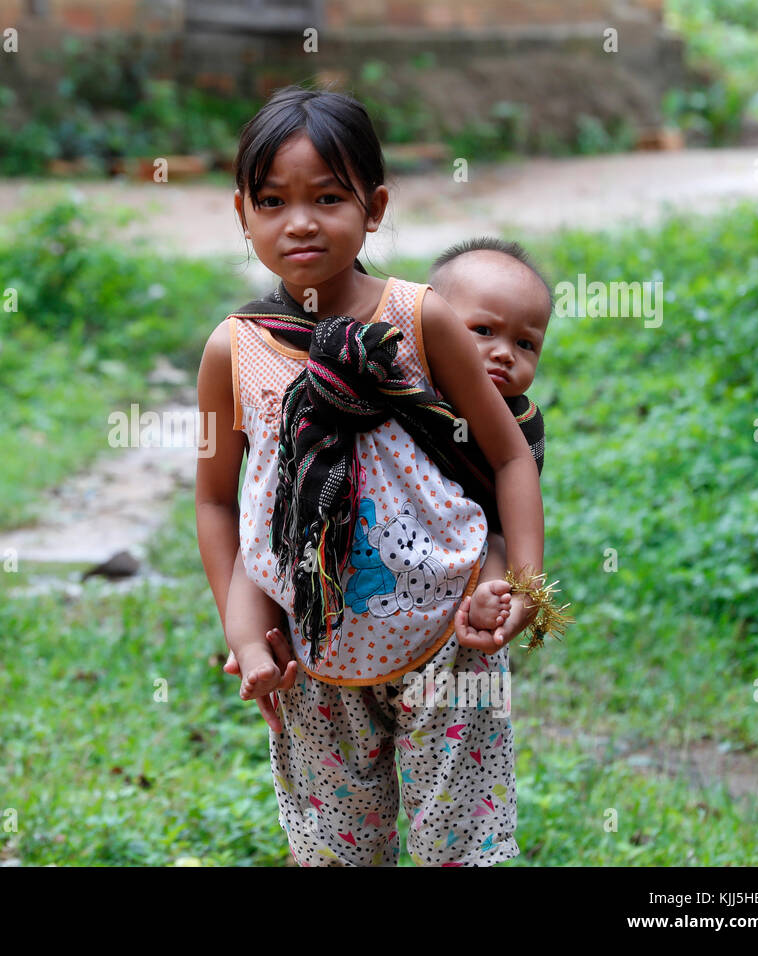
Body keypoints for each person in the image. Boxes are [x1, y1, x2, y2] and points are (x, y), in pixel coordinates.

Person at [194, 85, 547, 866]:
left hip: (450, 638)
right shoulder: (235, 349)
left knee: (464, 850)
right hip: (313, 660)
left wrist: (521, 583)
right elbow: (222, 502)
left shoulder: (421, 318)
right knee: (336, 854)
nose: (301, 221)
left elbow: (509, 454)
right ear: (242, 215)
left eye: (328, 196)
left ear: (375, 206)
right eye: (273, 200)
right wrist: (246, 634)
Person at [428, 237, 552, 646]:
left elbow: (510, 512)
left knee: (497, 540)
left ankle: (489, 597)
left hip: (475, 534)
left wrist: (524, 584)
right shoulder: (408, 388)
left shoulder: (521, 422)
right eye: (483, 331)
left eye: (525, 343)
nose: (504, 354)